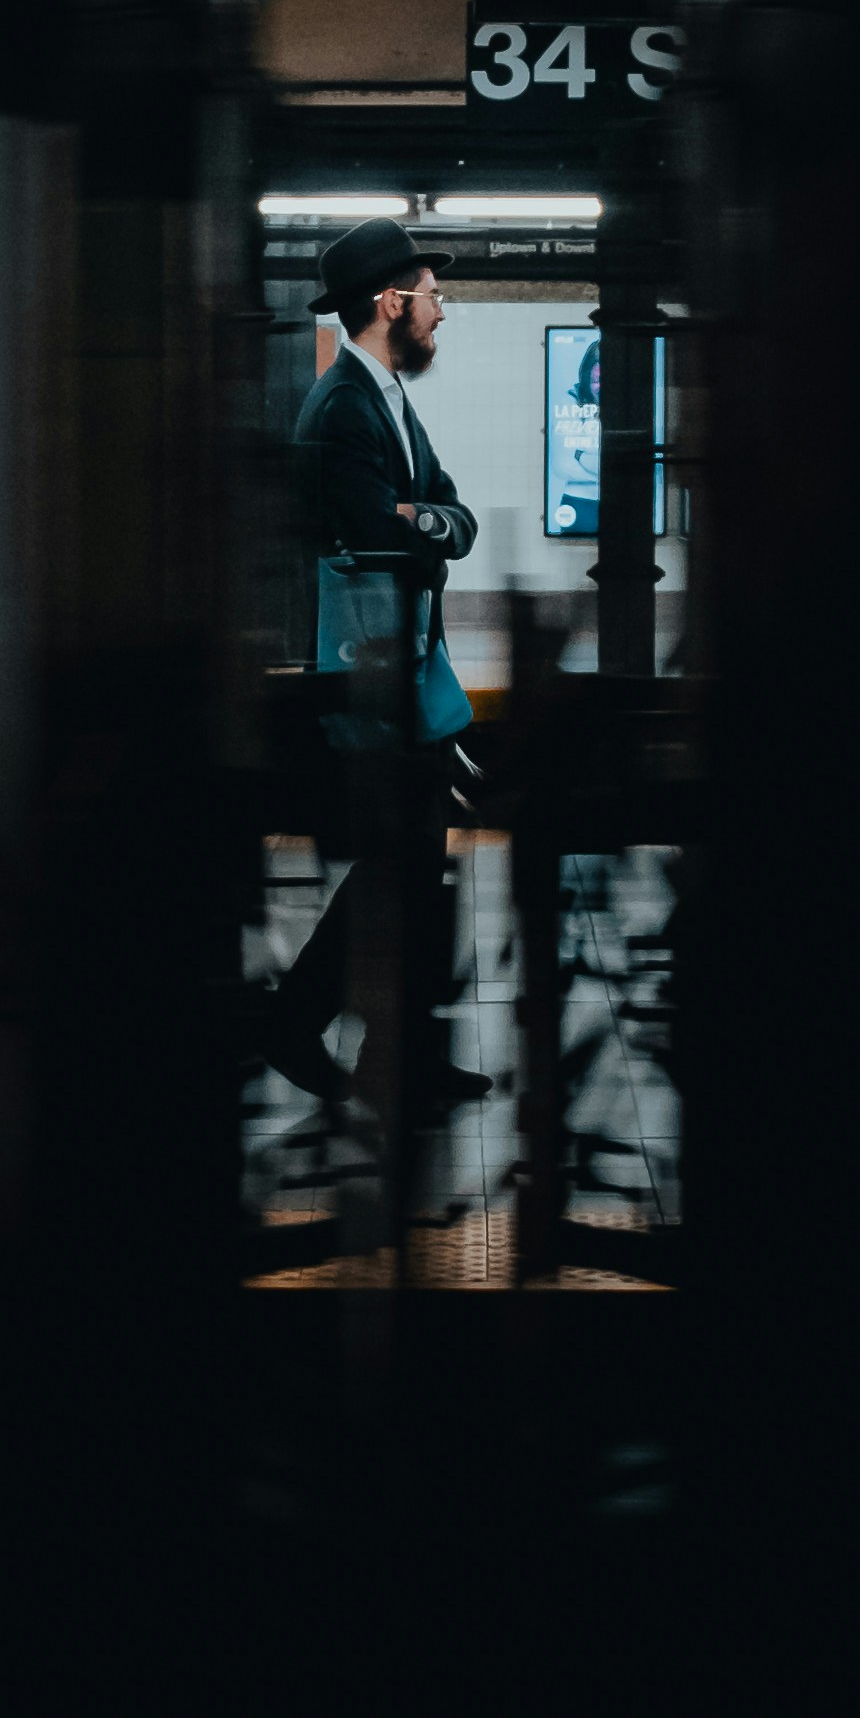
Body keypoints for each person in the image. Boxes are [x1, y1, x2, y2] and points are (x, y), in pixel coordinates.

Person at [253, 217, 486, 1126]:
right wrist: (426, 521)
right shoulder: (344, 407)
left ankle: (402, 1048)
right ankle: (303, 1020)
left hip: (397, 670)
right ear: (390, 301)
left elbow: (451, 514)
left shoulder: (383, 396)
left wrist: (426, 517)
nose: (442, 311)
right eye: (433, 295)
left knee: (413, 865)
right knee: (399, 862)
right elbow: (383, 533)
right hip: (361, 674)